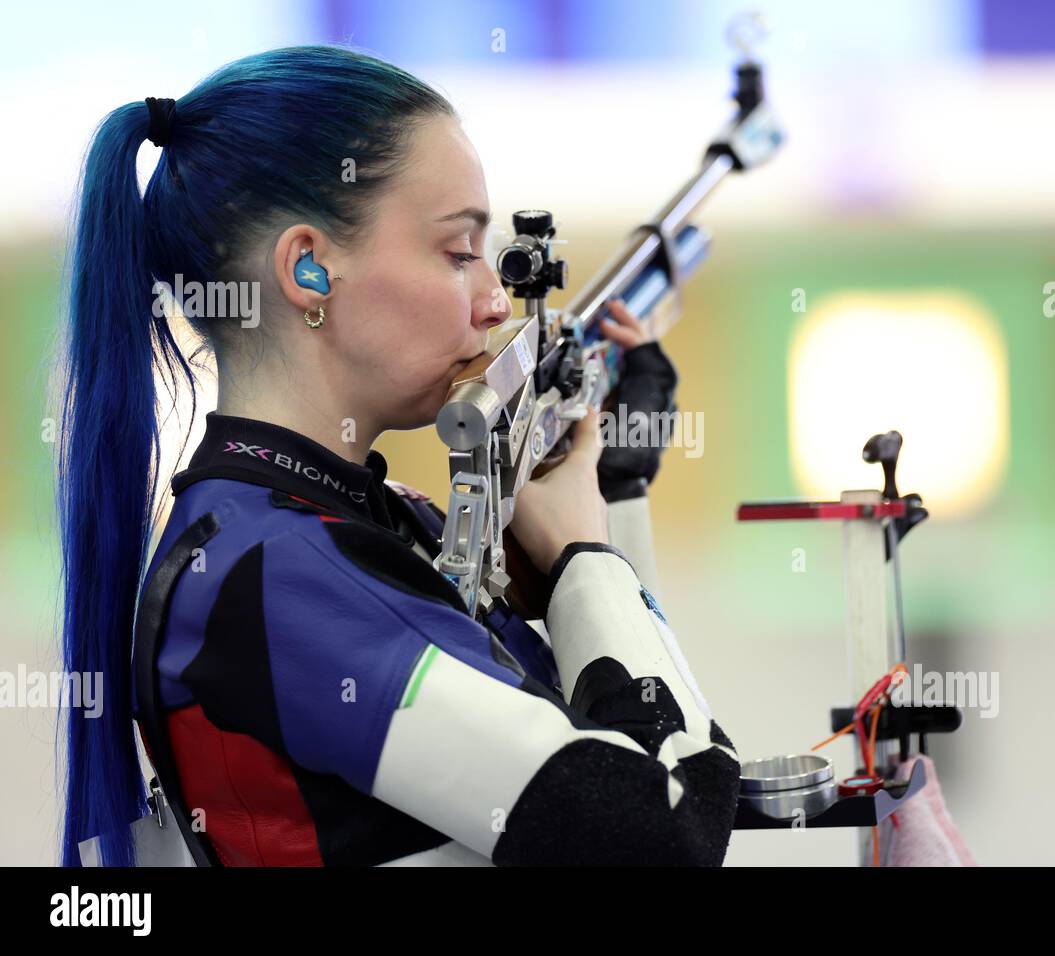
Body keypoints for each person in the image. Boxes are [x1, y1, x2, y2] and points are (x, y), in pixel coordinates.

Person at [57, 45, 740, 867]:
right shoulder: (270, 575)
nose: (496, 302)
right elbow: (662, 828)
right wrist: (582, 560)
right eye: (459, 253)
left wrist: (614, 490)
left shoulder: (363, 528)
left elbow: (640, 740)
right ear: (309, 267)